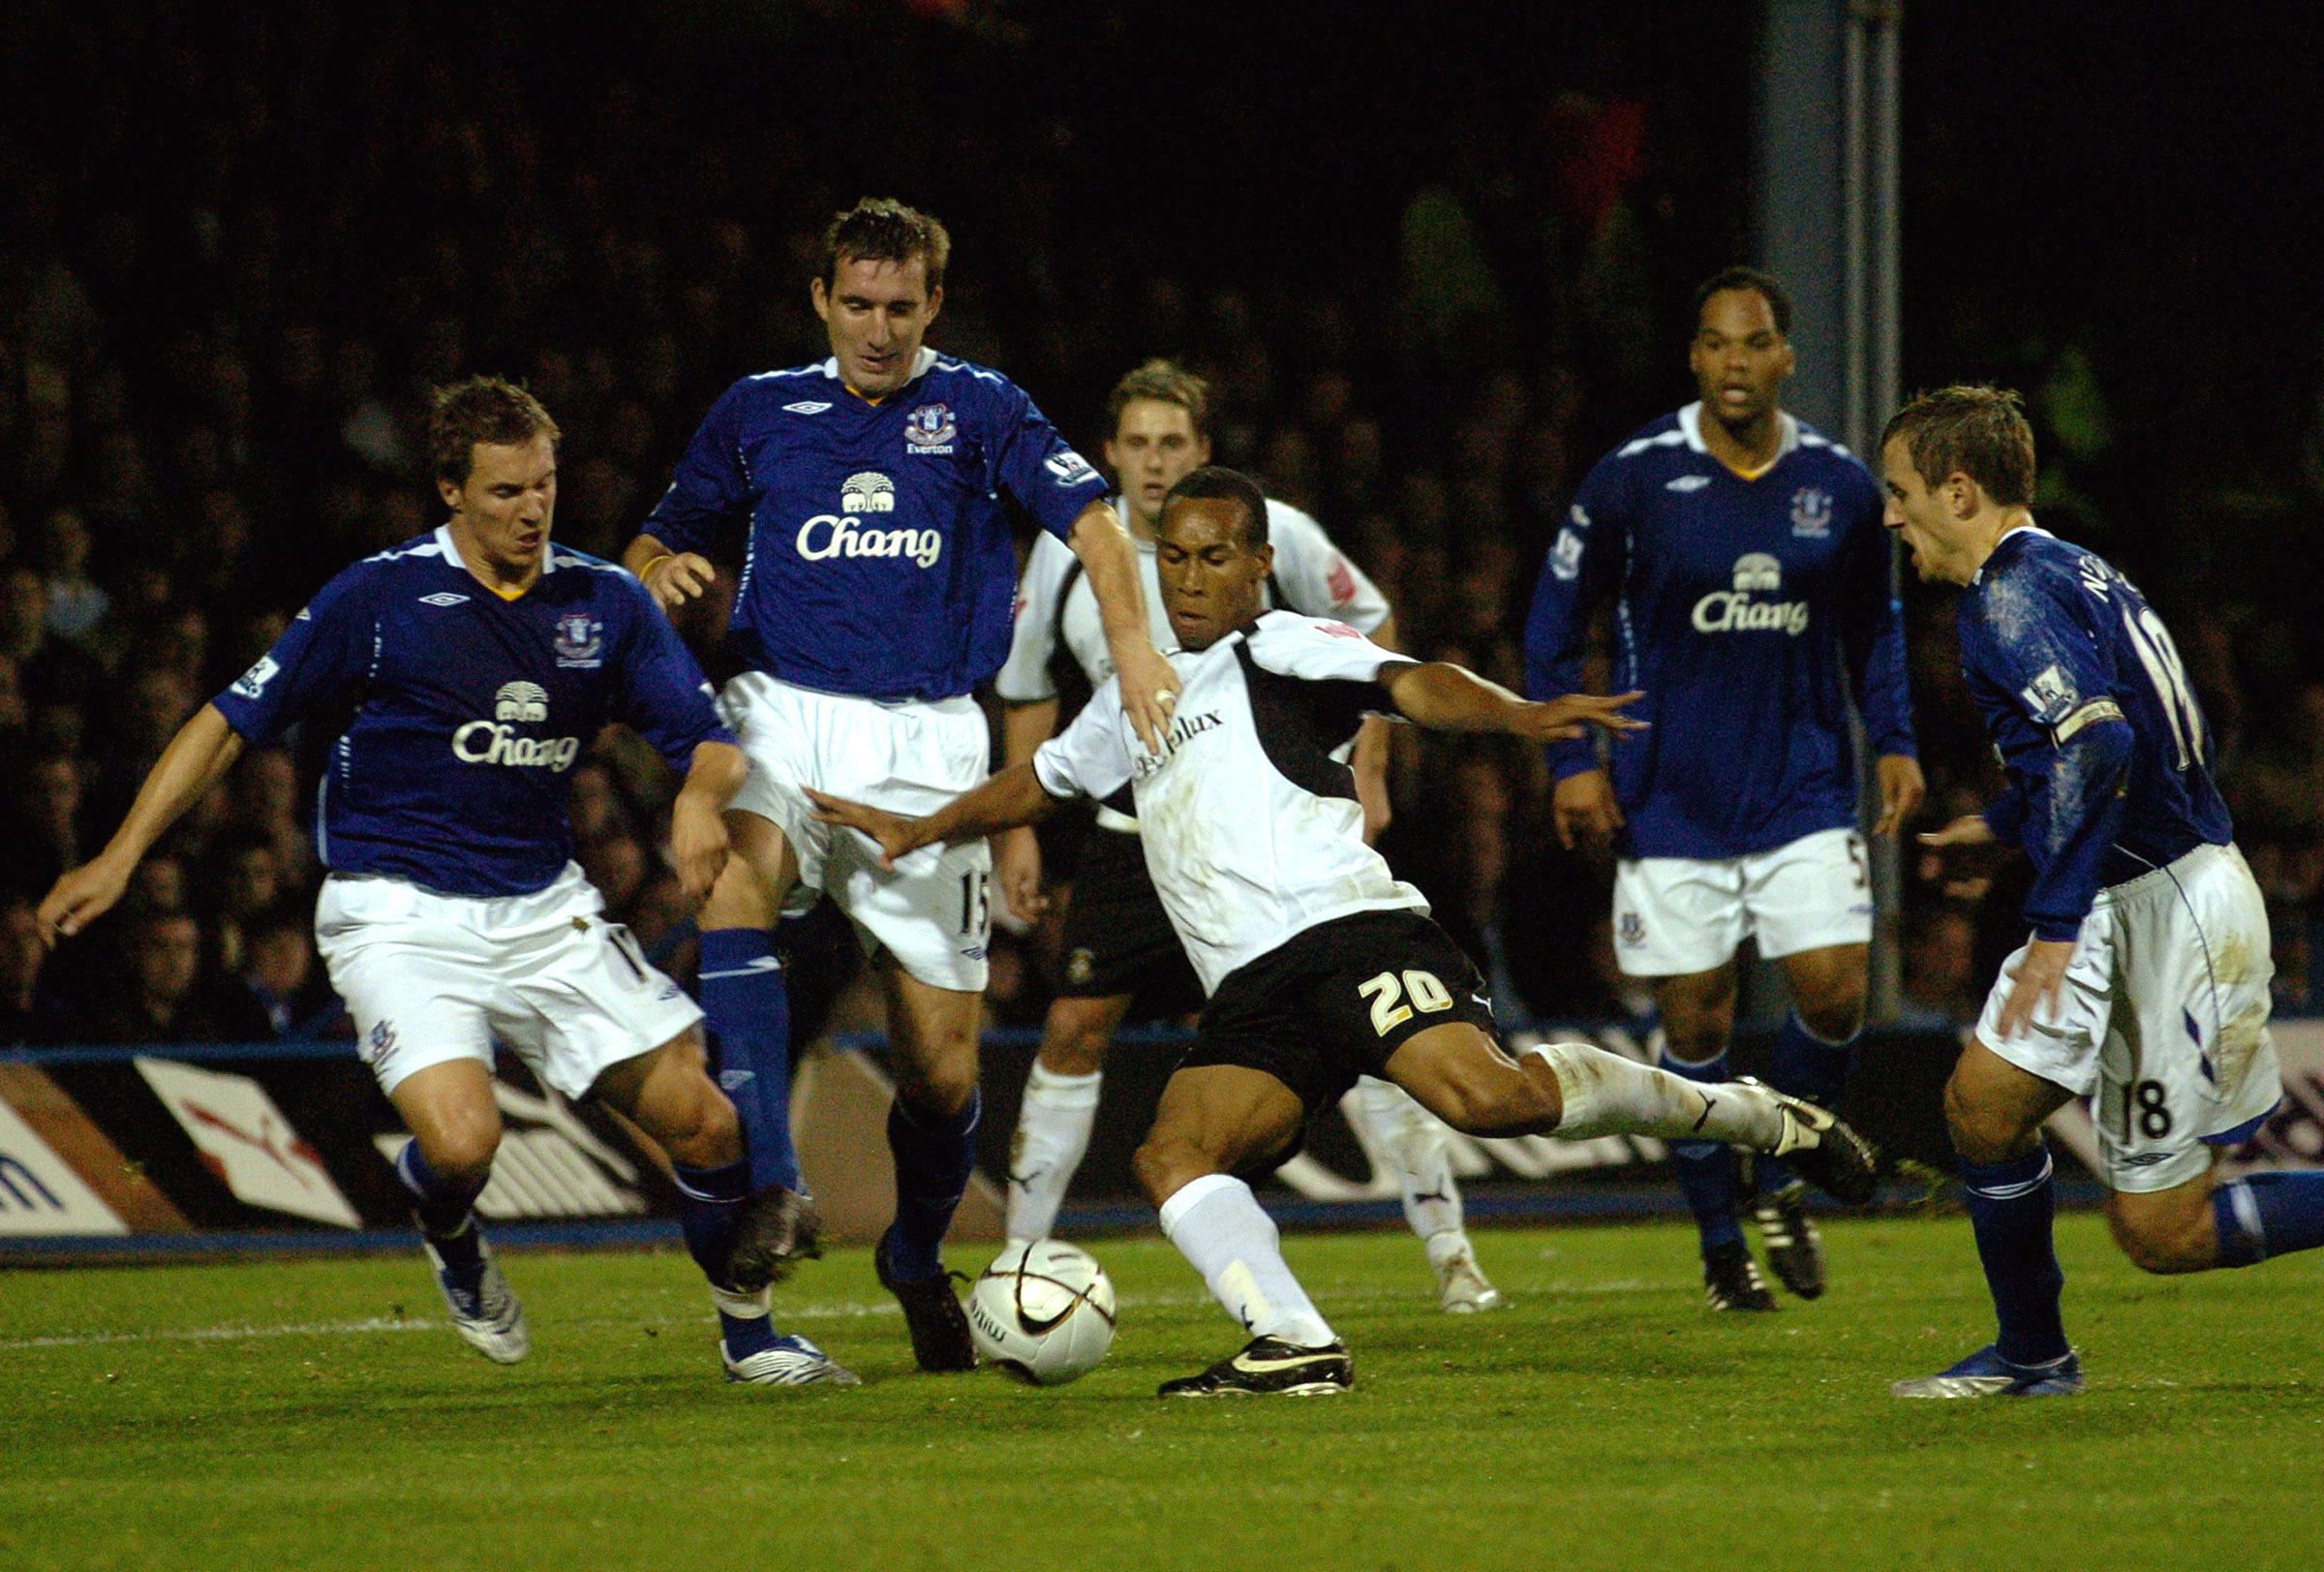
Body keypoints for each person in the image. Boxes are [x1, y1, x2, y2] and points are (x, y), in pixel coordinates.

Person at [812, 468, 1878, 1396]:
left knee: (1490, 1100)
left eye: (1211, 557)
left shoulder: (1281, 643)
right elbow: (1041, 782)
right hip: (1254, 989)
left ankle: (1744, 1114)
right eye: (1172, 559)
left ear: (1257, 565)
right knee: (1174, 1153)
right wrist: (922, 824)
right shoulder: (1135, 696)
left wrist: (1516, 715)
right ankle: (1292, 1341)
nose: (1187, 578)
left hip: (1350, 934)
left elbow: (1407, 684)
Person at [38, 379, 851, 1387]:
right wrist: (118, 857)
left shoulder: (602, 601)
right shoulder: (378, 600)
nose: (532, 509)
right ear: (449, 491)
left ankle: (751, 1337)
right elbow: (226, 723)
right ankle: (447, 1222)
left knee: (708, 1120)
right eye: (507, 490)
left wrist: (696, 797)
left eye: (544, 485)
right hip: (396, 911)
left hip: (543, 909)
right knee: (467, 1143)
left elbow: (712, 745)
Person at [624, 199, 1177, 1372]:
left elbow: (1095, 521)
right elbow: (647, 545)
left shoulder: (980, 408)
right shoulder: (761, 409)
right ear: (823, 302)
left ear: (935, 303)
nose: (879, 329)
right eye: (858, 305)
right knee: (733, 878)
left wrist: (1133, 656)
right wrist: (659, 568)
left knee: (939, 1068)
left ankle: (915, 1257)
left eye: (902, 307)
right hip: (781, 710)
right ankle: (772, 1182)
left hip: (929, 740)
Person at [993, 359, 1502, 1313]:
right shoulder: (1069, 550)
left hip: (1266, 835)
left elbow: (1372, 622)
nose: (1154, 463)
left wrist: (1372, 764)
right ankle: (1018, 1259)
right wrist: (1015, 840)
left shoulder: (1275, 529)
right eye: (1138, 444)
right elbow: (1028, 688)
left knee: (1367, 1025)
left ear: (1204, 453)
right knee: (1071, 1026)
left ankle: (1451, 1250)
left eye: (1172, 444)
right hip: (1135, 836)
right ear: (1109, 453)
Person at [1881, 386, 2323, 1399]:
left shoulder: (2008, 597)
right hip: (2128, 893)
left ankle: (2034, 1355)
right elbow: (2139, 742)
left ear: (1959, 490)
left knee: (2164, 1234)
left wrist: (2049, 925)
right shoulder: (2074, 570)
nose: (1893, 516)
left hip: (2167, 913)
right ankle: (2033, 1356)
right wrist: (2004, 831)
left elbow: (2103, 741)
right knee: (1985, 1107)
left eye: (1903, 493)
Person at [1523, 266, 1923, 1310]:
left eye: (1753, 345)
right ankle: (1718, 1247)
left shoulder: (1836, 484)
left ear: (1786, 356)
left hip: (1799, 784)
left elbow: (1874, 628)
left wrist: (1894, 738)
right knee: (1695, 1031)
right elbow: (1552, 630)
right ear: (1693, 357)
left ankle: (1782, 1174)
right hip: (1670, 800)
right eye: (1714, 345)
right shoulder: (1634, 477)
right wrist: (1572, 762)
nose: (1733, 364)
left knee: (1836, 986)